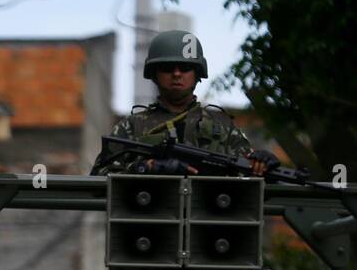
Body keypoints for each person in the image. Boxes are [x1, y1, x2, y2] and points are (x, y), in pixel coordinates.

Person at [91, 29, 280, 177]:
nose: (176, 74)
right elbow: (100, 178)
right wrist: (145, 168)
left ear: (197, 73)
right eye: (167, 67)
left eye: (185, 67)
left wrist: (262, 163)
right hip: (150, 220)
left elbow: (248, 172)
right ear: (154, 73)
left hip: (209, 220)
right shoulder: (132, 126)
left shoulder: (221, 127)